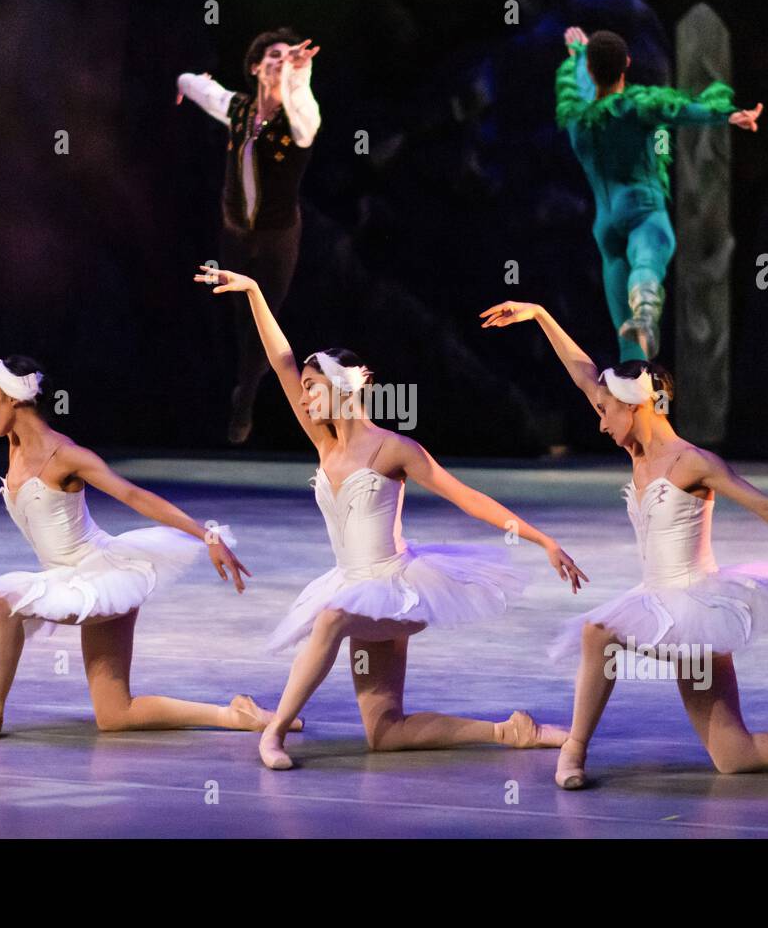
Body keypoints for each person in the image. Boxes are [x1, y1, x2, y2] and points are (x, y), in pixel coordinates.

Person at [479, 299, 768, 788]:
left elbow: (766, 507)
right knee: (734, 755)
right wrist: (539, 314)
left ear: (637, 406)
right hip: (657, 602)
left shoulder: (691, 462)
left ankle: (573, 750)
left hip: (695, 606)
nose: (599, 422)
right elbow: (584, 373)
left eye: (607, 411)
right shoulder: (636, 448)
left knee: (600, 633)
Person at [198, 264, 588, 770]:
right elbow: (282, 361)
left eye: (314, 387)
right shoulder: (324, 441)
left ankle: (273, 734)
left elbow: (466, 497)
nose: (304, 395)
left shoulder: (393, 449)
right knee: (385, 732)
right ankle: (512, 730)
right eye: (306, 388)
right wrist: (253, 290)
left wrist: (542, 540)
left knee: (331, 618)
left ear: (341, 389)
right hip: (351, 582)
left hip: (394, 587)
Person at [0, 281, 295, 742]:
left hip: (98, 578)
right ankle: (235, 714)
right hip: (73, 581)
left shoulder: (66, 456)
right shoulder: (14, 436)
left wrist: (207, 535)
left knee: (3, 603)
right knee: (115, 715)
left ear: (16, 400)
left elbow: (134, 496)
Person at [555, 26, 763, 360]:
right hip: (641, 207)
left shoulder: (578, 118)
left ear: (591, 70)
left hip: (606, 224)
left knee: (630, 341)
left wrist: (579, 54)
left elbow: (578, 86)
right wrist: (728, 115)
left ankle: (632, 374)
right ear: (627, 63)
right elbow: (678, 110)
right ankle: (647, 304)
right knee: (650, 251)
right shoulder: (637, 108)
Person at [177, 28, 321, 444]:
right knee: (239, 318)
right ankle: (236, 387)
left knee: (264, 318)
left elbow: (305, 126)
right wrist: (183, 85)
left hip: (278, 237)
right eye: (272, 56)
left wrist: (299, 76)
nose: (280, 60)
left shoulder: (298, 113)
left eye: (286, 56)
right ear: (256, 67)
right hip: (236, 232)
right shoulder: (238, 110)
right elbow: (200, 87)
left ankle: (246, 400)